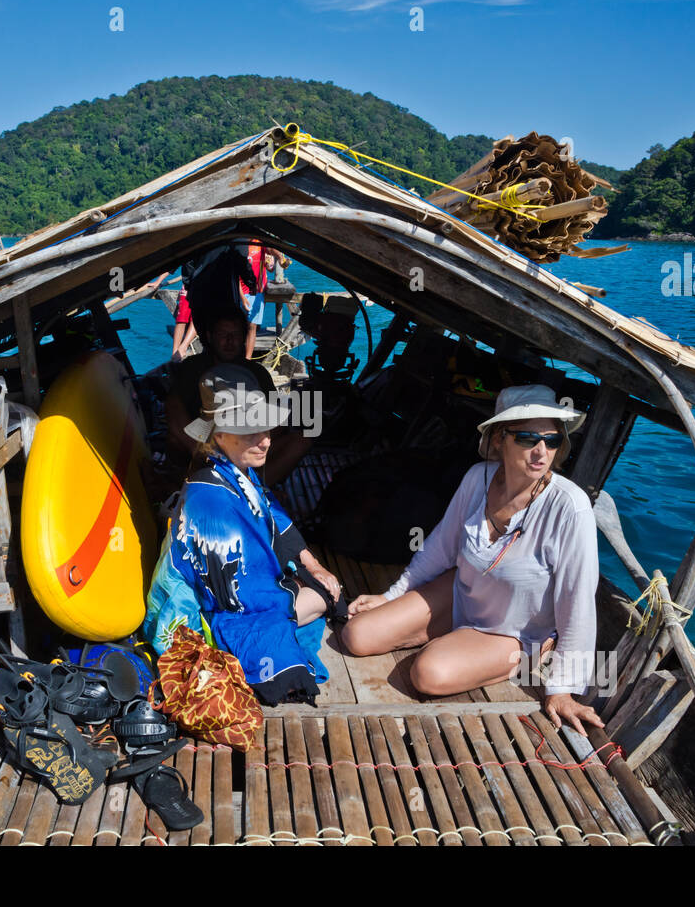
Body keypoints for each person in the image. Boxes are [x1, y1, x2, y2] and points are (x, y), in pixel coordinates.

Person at [340, 385, 605, 735]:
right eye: (527, 438)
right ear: (499, 439)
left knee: (428, 673)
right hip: (463, 592)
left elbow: (579, 601)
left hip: (514, 630)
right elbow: (441, 546)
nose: (541, 451)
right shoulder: (476, 477)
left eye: (552, 440)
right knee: (356, 634)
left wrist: (561, 687)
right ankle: (456, 640)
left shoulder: (570, 507)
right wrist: (392, 594)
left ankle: (532, 653)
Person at [143, 365, 344, 705]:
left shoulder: (236, 471)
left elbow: (272, 513)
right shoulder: (211, 501)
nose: (265, 439)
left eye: (264, 429)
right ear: (219, 435)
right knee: (325, 600)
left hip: (237, 593)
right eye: (250, 432)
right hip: (206, 616)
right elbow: (234, 597)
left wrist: (313, 564)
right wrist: (294, 587)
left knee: (321, 585)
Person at [166, 305, 309, 485]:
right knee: (173, 439)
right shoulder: (193, 366)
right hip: (204, 440)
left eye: (235, 335)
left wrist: (250, 442)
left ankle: (253, 486)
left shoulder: (257, 372)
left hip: (248, 440)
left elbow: (276, 420)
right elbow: (173, 407)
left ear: (243, 338)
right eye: (222, 334)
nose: (229, 341)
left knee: (302, 440)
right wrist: (200, 449)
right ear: (210, 337)